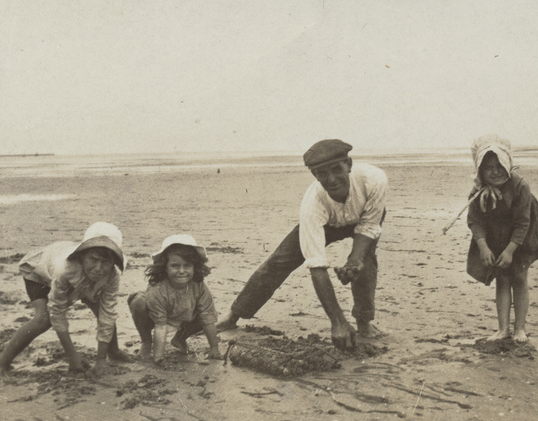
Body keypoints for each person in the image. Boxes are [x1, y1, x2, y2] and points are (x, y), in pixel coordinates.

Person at [215, 139, 387, 351]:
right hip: (326, 222)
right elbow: (317, 265)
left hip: (363, 218)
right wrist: (338, 322)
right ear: (315, 175)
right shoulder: (313, 204)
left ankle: (364, 322)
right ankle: (234, 315)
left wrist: (355, 259)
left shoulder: (375, 180)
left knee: (365, 262)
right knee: (278, 262)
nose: (332, 180)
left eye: (337, 169)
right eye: (322, 174)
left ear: (349, 165)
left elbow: (369, 226)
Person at [0, 222, 132, 380]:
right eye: (93, 259)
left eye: (105, 262)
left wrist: (100, 360)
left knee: (103, 310)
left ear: (113, 263)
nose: (98, 268)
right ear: (82, 256)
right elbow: (57, 311)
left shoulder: (112, 275)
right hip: (39, 272)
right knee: (44, 319)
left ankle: (113, 351)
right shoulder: (65, 269)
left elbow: (108, 313)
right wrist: (72, 355)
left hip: (80, 278)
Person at [465, 135, 538, 344]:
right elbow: (474, 221)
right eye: (488, 167)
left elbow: (522, 223)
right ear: (480, 170)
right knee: (502, 278)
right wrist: (483, 247)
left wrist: (510, 251)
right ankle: (502, 329)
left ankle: (520, 328)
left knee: (519, 277)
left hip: (521, 236)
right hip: (496, 235)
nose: (495, 171)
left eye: (500, 165)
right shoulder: (477, 191)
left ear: (508, 164)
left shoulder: (519, 187)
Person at [127, 234, 222, 364]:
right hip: (155, 318)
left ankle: (179, 339)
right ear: (165, 267)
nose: (181, 271)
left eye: (187, 265)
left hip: (185, 316)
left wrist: (214, 348)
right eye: (175, 266)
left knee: (207, 315)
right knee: (138, 302)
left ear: (195, 267)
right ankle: (146, 342)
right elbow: (160, 326)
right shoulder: (157, 289)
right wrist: (158, 357)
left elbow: (208, 319)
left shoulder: (199, 286)